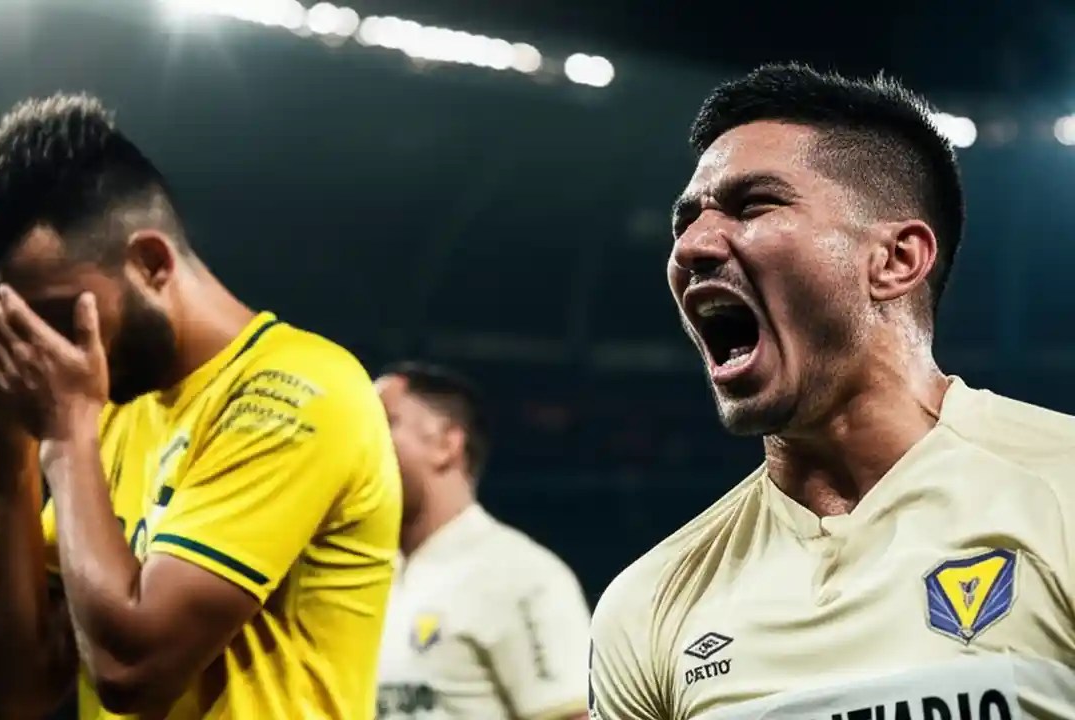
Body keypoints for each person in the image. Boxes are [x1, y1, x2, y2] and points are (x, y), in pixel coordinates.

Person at [588, 63, 1075, 720]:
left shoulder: (1060, 488)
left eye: (753, 204)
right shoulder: (650, 603)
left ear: (897, 260)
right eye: (687, 220)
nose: (694, 245)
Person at [0, 93, 402, 719]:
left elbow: (132, 672)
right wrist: (11, 458)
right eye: (19, 326)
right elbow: (16, 695)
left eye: (55, 315)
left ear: (152, 263)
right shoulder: (99, 410)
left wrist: (65, 438)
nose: (40, 352)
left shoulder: (299, 390)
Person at [374, 361, 591, 720]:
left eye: (384, 424)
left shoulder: (523, 575)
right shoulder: (359, 576)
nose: (360, 444)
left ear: (446, 444)